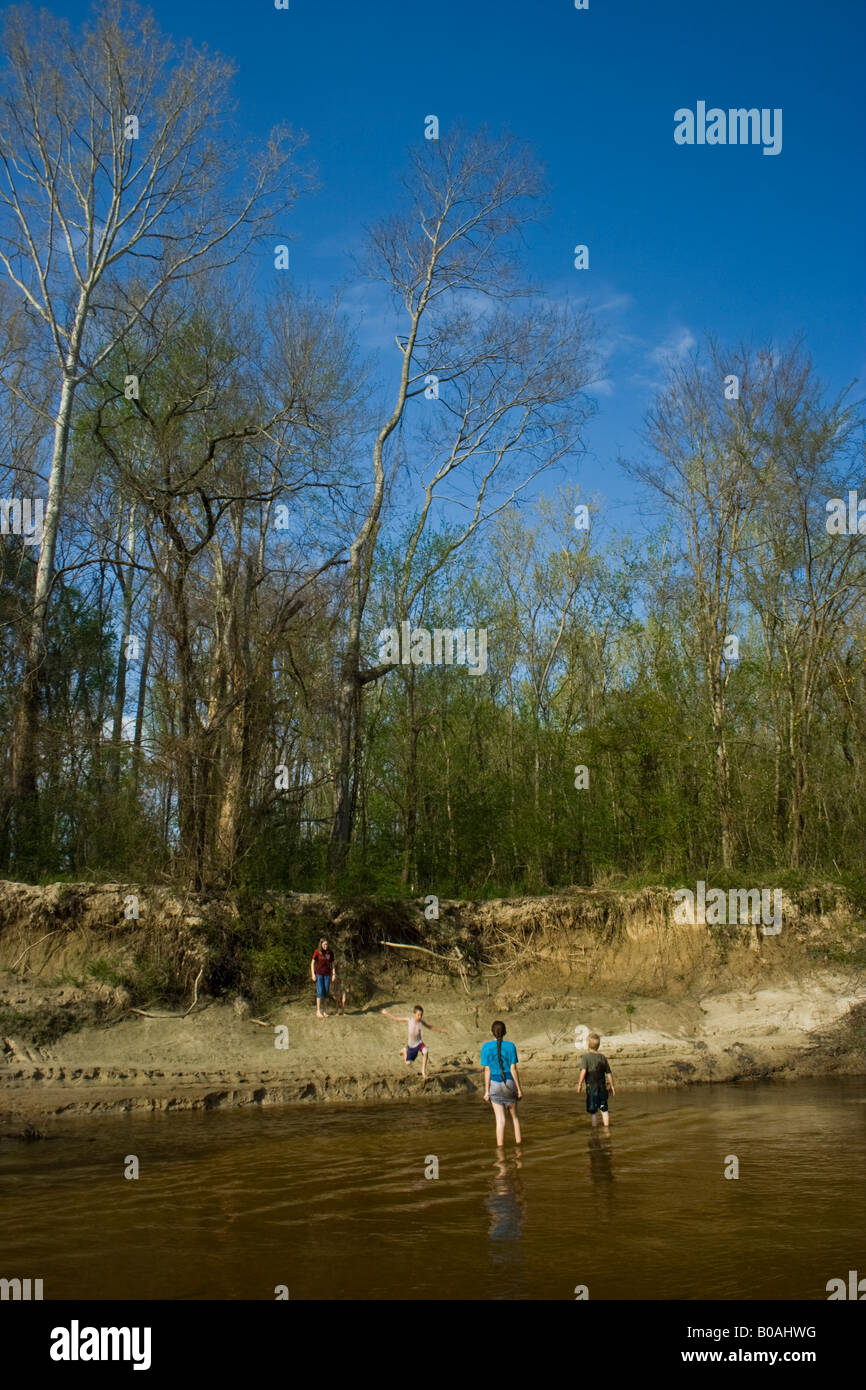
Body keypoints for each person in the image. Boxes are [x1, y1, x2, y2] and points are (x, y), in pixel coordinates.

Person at [481, 1020, 522, 1146]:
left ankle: (500, 1151)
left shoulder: (486, 1047)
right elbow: (513, 1069)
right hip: (509, 1083)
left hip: (494, 1084)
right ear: (505, 1032)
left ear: (491, 1032)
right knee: (514, 1118)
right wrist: (519, 1090)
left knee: (500, 1121)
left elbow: (487, 1070)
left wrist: (487, 1091)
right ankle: (519, 1146)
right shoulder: (511, 1046)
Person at [380, 1004, 445, 1079]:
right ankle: (404, 1051)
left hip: (419, 1043)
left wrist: (441, 1031)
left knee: (425, 1052)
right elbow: (396, 1019)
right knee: (407, 1063)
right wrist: (386, 1013)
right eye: (418, 1015)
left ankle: (423, 1071)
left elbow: (430, 1027)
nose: (420, 1017)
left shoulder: (421, 1022)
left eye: (421, 1015)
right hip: (411, 1046)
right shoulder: (409, 1020)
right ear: (414, 1014)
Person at [577, 1031, 615, 1127]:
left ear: (587, 1045)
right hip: (602, 1089)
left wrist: (580, 1084)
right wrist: (612, 1086)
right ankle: (607, 1128)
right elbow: (609, 1073)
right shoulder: (602, 1057)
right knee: (604, 1109)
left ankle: (595, 1129)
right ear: (598, 1046)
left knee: (593, 1110)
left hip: (592, 1089)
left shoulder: (585, 1057)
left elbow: (583, 1071)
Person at [310, 937, 336, 1018]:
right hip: (319, 975)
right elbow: (312, 963)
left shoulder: (330, 952)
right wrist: (313, 974)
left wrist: (334, 974)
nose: (326, 946)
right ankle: (318, 1011)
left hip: (327, 975)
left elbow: (333, 964)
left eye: (327, 944)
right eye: (324, 944)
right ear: (321, 944)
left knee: (326, 993)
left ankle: (324, 1011)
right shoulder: (317, 952)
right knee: (320, 992)